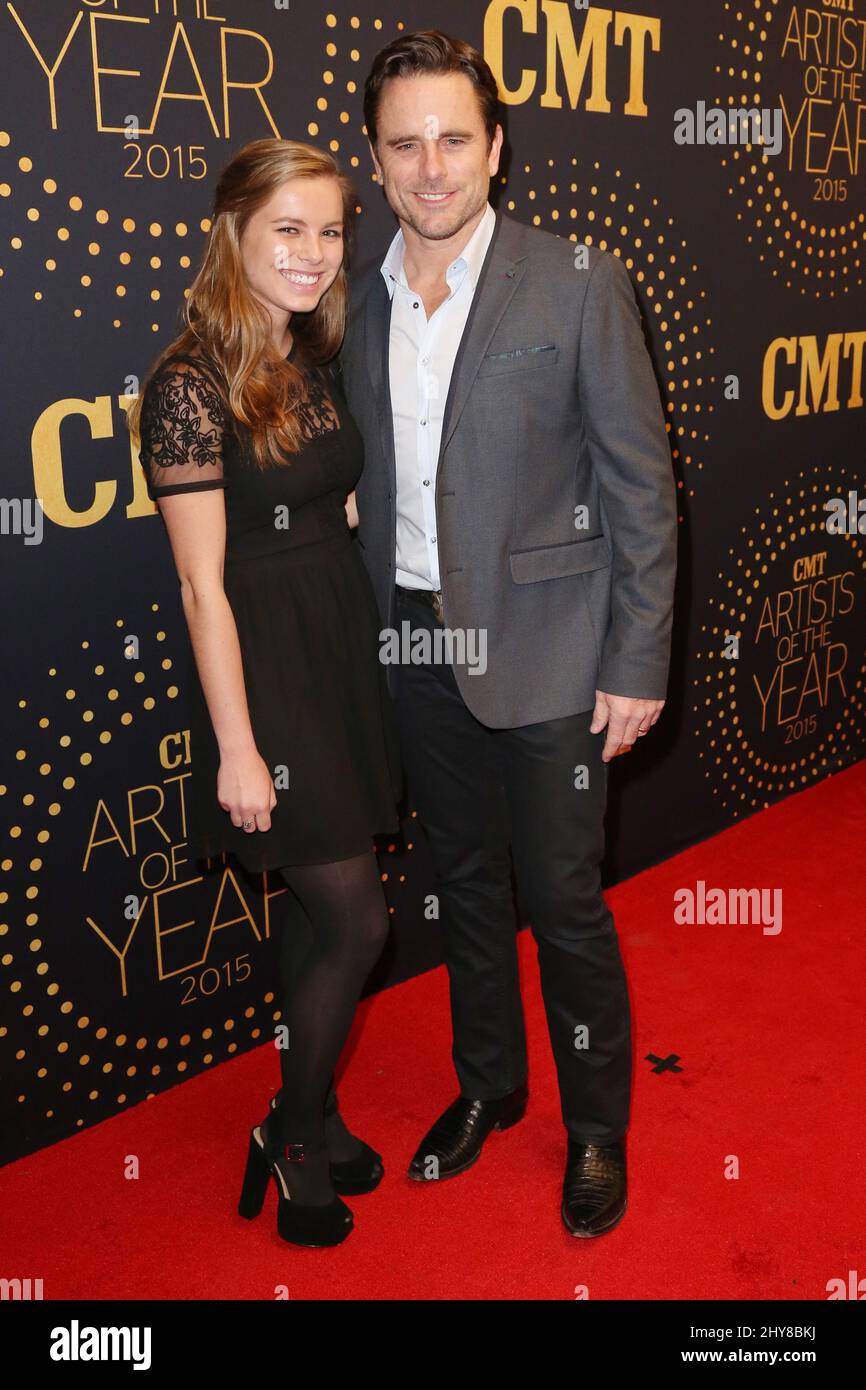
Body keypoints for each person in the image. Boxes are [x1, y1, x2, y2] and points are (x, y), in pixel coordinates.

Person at [339, 30, 678, 1238]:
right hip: (419, 646)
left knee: (565, 902)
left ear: (497, 147)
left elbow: (639, 484)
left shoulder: (579, 277)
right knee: (465, 888)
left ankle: (594, 1128)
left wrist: (635, 661)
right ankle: (487, 1084)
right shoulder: (359, 297)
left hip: (549, 652)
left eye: (452, 138)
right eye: (403, 143)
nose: (431, 166)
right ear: (376, 164)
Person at [127, 139, 404, 1249]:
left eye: (330, 230)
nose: (312, 252)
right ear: (233, 232)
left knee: (319, 911)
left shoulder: (312, 351)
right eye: (286, 228)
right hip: (265, 670)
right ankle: (292, 1135)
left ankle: (314, 1108)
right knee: (359, 917)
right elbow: (201, 586)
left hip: (335, 640)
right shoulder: (187, 386)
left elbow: (325, 499)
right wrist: (238, 749)